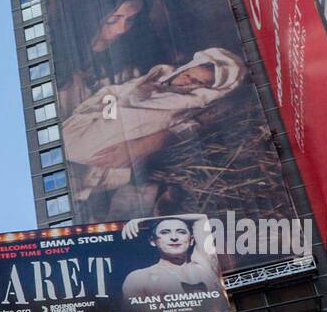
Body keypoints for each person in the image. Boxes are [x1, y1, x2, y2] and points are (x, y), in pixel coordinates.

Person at [64, 48, 244, 208]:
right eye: (189, 74)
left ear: (209, 90)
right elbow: (113, 92)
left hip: (121, 140)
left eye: (198, 82)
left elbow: (187, 128)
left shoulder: (193, 104)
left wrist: (145, 144)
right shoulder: (156, 77)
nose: (187, 81)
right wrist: (108, 110)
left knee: (86, 162)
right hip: (94, 122)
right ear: (186, 67)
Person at [119, 216, 229, 312]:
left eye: (181, 232)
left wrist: (144, 220)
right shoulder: (139, 278)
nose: (174, 237)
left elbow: (200, 219)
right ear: (153, 241)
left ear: (191, 240)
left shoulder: (205, 267)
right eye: (165, 232)